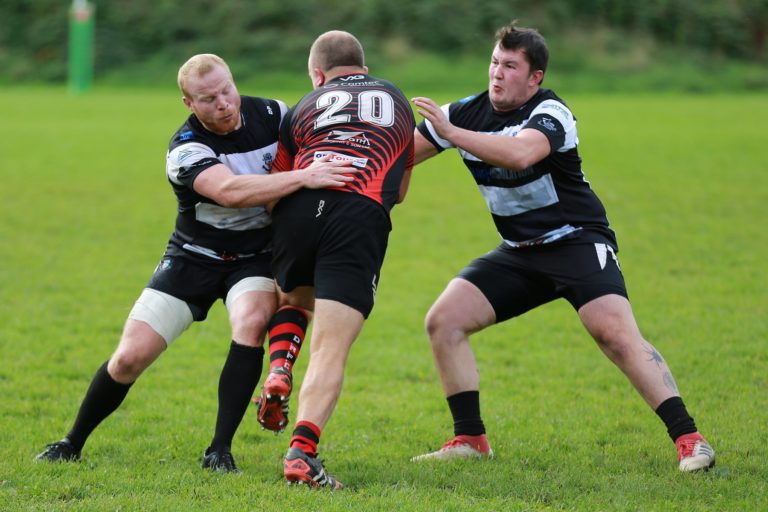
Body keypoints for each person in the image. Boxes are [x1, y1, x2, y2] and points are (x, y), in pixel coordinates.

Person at [408, 22, 715, 473]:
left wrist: (450, 134)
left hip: (576, 240)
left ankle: (690, 439)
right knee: (444, 321)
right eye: (494, 62)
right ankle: (470, 439)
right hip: (519, 251)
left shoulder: (550, 112)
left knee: (613, 332)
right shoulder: (466, 113)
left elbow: (520, 154)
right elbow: (398, 157)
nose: (497, 73)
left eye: (510, 66)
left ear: (535, 78)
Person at [35, 53, 355, 472]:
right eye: (208, 98)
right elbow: (230, 192)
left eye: (226, 89)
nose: (223, 102)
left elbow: (318, 139)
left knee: (251, 323)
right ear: (189, 103)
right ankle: (71, 442)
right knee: (129, 357)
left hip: (253, 258)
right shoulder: (185, 150)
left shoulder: (274, 113)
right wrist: (303, 177)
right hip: (192, 257)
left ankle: (219, 450)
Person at [264, 30, 414, 488]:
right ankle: (301, 455)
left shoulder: (302, 108)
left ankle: (278, 367)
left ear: (317, 74)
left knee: (292, 295)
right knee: (330, 347)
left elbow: (276, 188)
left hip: (298, 205)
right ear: (363, 68)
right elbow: (400, 191)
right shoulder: (397, 101)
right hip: (358, 211)